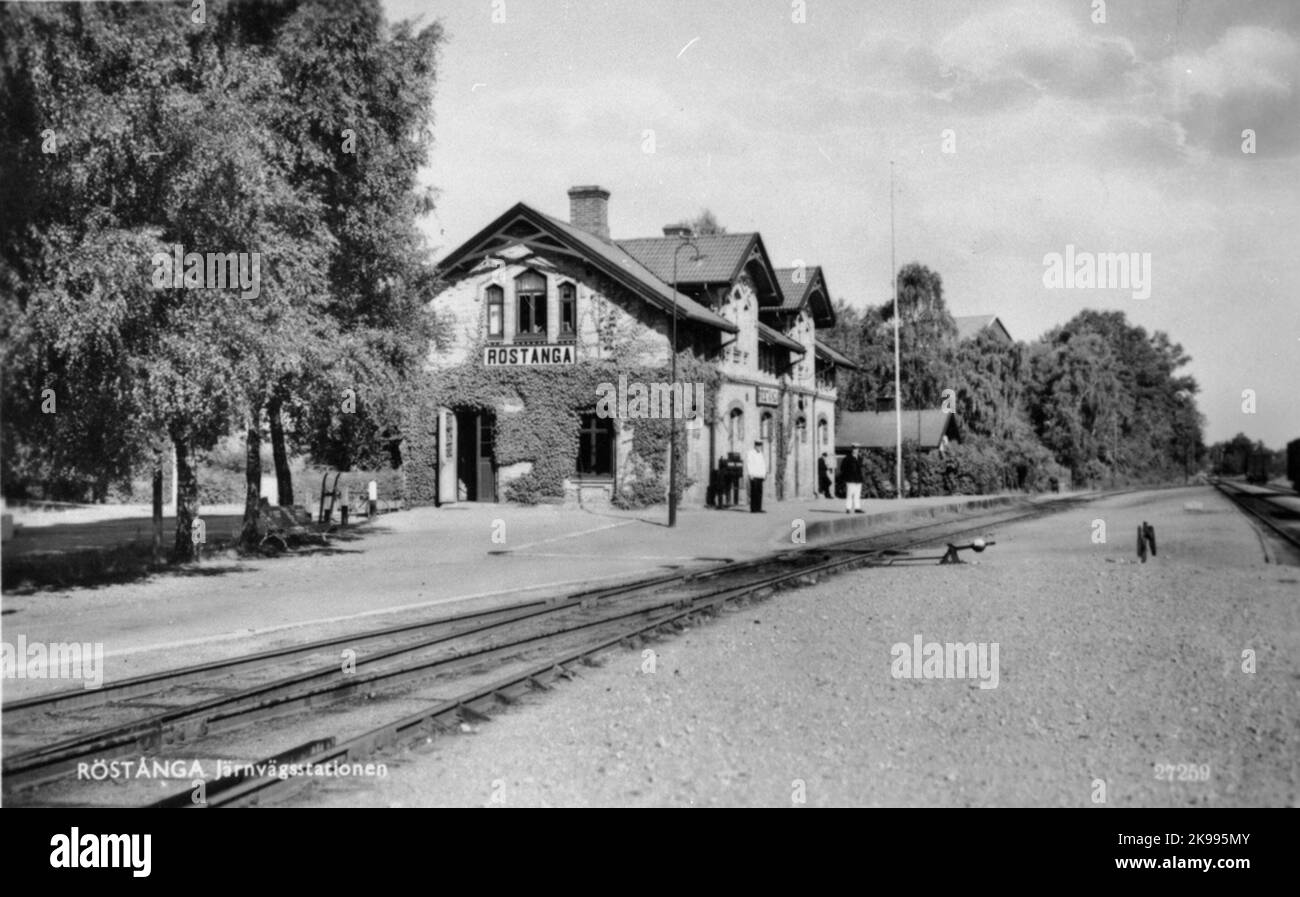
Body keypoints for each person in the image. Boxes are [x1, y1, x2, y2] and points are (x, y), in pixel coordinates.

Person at [841, 444, 864, 514]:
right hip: (850, 479)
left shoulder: (860, 458)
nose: (855, 450)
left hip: (858, 479)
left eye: (857, 449)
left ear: (858, 450)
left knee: (857, 494)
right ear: (852, 450)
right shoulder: (847, 458)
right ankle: (848, 508)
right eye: (854, 449)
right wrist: (847, 476)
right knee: (850, 494)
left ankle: (857, 508)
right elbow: (842, 468)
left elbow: (860, 469)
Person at [746, 440, 767, 513]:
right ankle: (753, 508)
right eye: (758, 446)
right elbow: (749, 464)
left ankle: (759, 508)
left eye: (760, 446)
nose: (759, 448)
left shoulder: (761, 454)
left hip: (760, 475)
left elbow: (763, 465)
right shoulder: (751, 453)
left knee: (759, 492)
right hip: (754, 475)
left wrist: (764, 474)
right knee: (754, 492)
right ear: (755, 446)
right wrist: (750, 474)